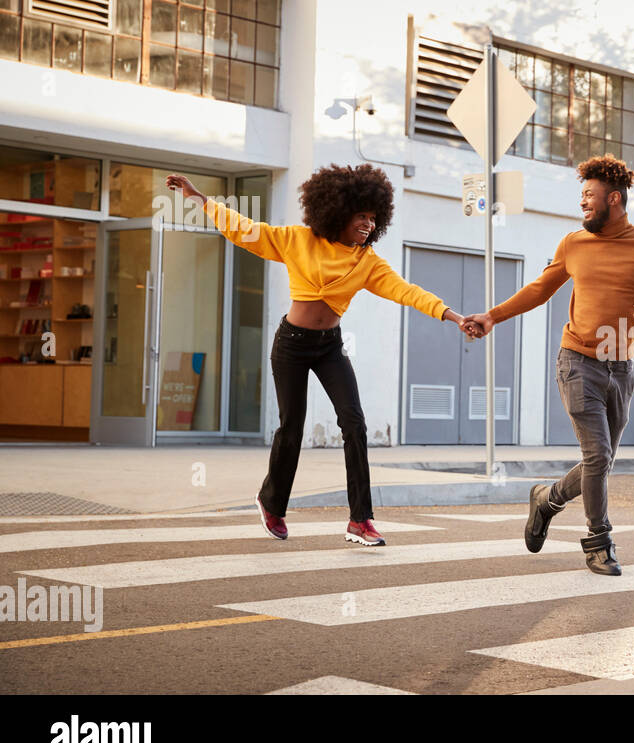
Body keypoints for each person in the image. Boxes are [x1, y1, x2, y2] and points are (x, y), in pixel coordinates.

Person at [166, 165, 473, 546]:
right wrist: (198, 198)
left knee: (354, 424)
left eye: (373, 218)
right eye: (361, 215)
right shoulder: (299, 240)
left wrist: (452, 315)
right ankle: (272, 503)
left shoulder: (367, 262)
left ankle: (360, 520)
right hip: (291, 344)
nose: (367, 223)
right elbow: (244, 229)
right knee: (291, 427)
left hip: (329, 346)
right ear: (338, 211)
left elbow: (406, 291)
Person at [462, 154, 634, 575]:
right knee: (598, 454)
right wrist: (492, 316)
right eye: (581, 196)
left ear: (613, 199)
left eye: (589, 196)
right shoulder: (572, 243)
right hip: (577, 361)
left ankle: (547, 499)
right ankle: (598, 543)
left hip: (620, 368)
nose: (583, 203)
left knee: (601, 461)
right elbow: (539, 290)